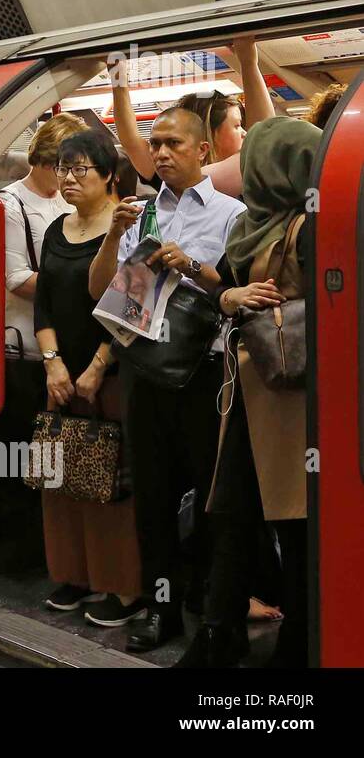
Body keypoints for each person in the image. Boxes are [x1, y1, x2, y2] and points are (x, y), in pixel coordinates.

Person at [88, 107, 247, 653]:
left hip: (203, 373)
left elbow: (238, 294)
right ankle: (161, 609)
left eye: (172, 143)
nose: (159, 153)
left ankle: (209, 603)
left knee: (211, 496)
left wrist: (193, 268)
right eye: (153, 143)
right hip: (145, 367)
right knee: (152, 500)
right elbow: (101, 294)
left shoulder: (231, 214)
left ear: (203, 151)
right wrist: (112, 238)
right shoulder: (139, 215)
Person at [179, 117, 320, 668]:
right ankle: (218, 635)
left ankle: (300, 645)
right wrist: (231, 296)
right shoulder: (254, 225)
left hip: (292, 404)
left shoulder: (311, 228)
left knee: (298, 524)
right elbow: (225, 289)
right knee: (232, 516)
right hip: (244, 396)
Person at [32, 129, 145, 624]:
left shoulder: (131, 230)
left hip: (111, 376)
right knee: (60, 482)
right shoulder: (57, 229)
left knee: (109, 484)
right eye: (63, 168)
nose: (69, 178)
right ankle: (74, 576)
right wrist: (52, 361)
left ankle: (120, 586)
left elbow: (130, 307)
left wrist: (99, 366)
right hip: (60, 379)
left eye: (80, 169)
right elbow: (44, 305)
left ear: (108, 176)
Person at [0, 113, 85, 436]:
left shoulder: (69, 201)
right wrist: (79, 283)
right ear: (48, 161)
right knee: (30, 449)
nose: (69, 176)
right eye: (65, 167)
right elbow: (15, 278)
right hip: (27, 351)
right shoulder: (10, 203)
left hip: (70, 344)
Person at [111, 37, 275, 198]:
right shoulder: (186, 175)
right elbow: (263, 135)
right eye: (237, 125)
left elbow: (130, 140)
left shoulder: (172, 175)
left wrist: (117, 74)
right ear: (209, 133)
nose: (245, 132)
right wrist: (248, 62)